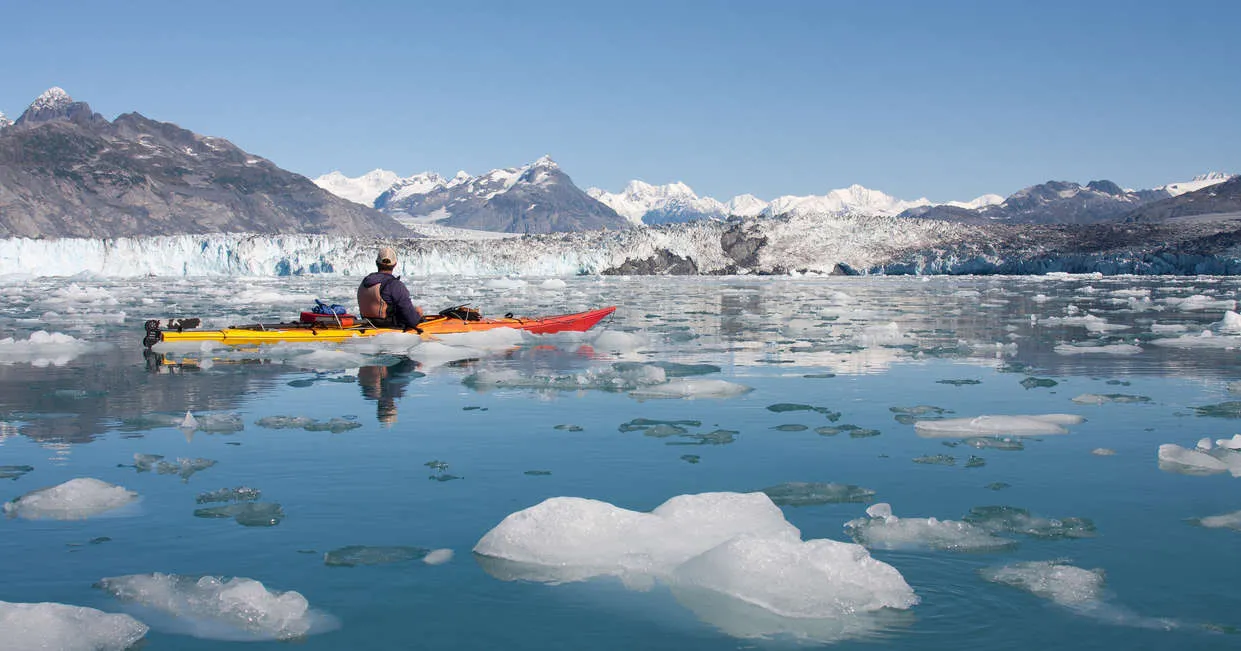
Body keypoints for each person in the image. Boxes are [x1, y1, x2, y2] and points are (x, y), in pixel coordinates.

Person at [357, 246, 424, 329]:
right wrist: (418, 315)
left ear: (376, 263)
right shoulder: (395, 285)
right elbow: (412, 320)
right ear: (395, 264)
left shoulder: (365, 281)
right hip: (389, 327)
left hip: (367, 324)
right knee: (418, 310)